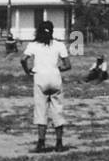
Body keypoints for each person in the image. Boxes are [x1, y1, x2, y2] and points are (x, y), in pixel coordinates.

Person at [22, 20, 72, 153]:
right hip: (55, 77)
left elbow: (23, 59)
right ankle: (59, 143)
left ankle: (41, 142)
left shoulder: (33, 45)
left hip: (40, 78)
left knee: (41, 110)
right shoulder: (59, 44)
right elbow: (68, 65)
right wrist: (58, 69)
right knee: (57, 110)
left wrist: (28, 71)